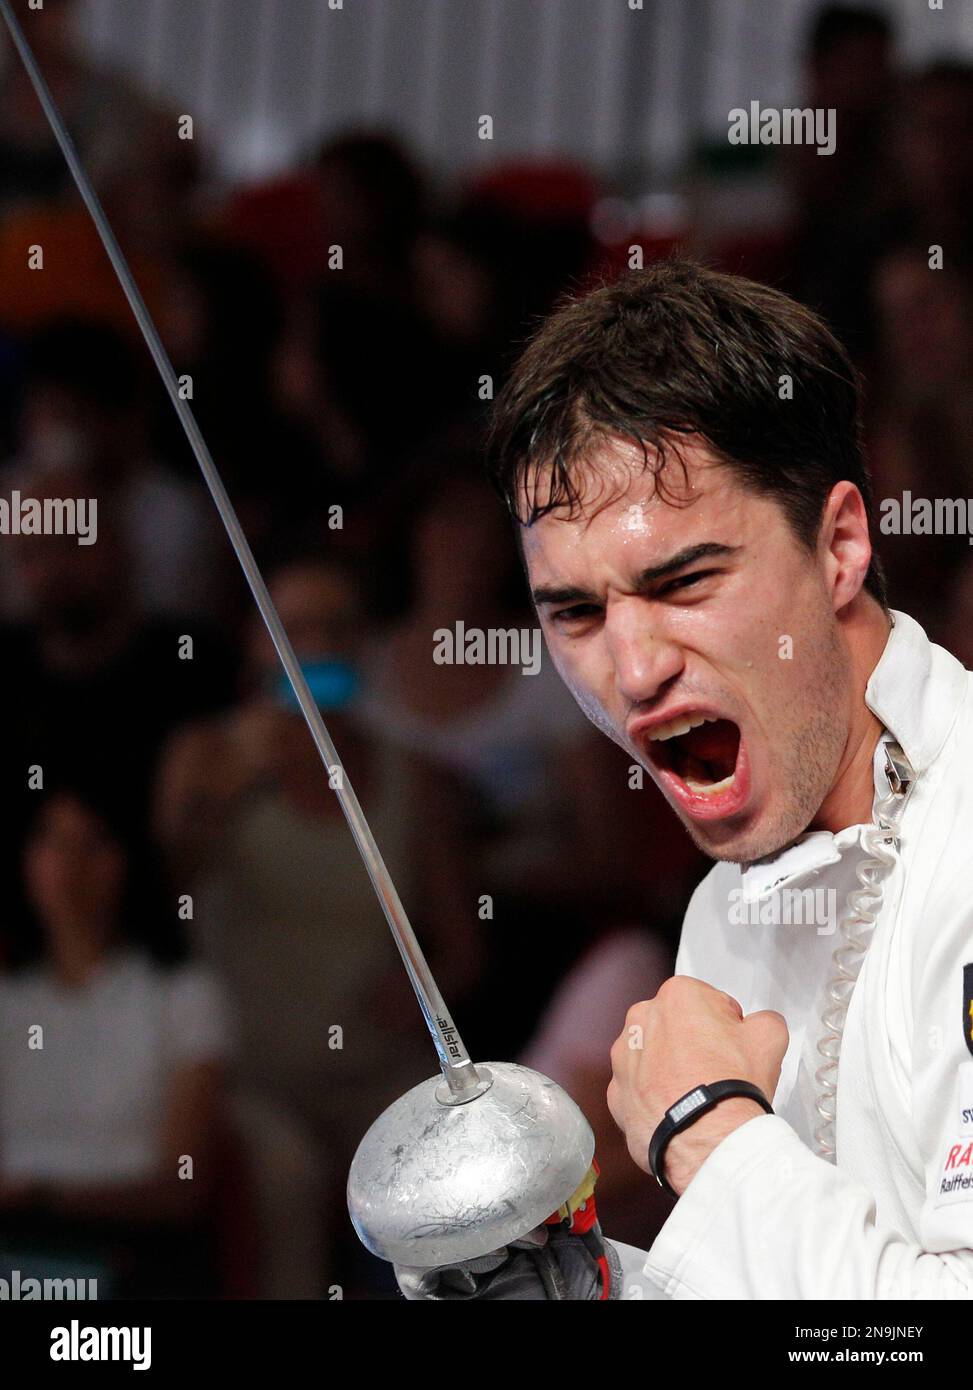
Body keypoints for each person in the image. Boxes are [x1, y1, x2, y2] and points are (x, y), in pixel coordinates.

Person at [396, 259, 973, 1299]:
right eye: (575, 612)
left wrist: (708, 1130)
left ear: (838, 544)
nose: (631, 667)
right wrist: (581, 1285)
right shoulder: (723, 911)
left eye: (685, 581)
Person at [0, 786, 231, 1298]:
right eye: (51, 841)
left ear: (128, 860)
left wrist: (46, 1197)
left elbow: (182, 1189)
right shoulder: (9, 999)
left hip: (132, 1253)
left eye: (93, 843)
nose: (70, 865)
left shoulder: (182, 996)